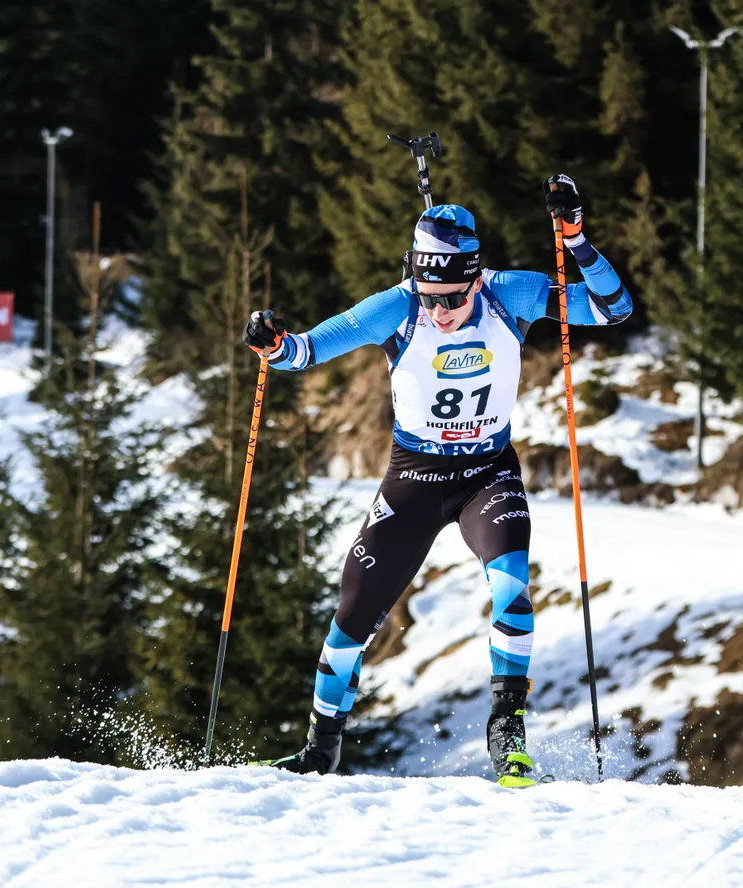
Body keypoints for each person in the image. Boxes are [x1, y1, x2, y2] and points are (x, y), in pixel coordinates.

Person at [246, 175, 633, 787]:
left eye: (452, 298)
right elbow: (305, 351)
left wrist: (576, 239)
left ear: (475, 279)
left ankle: (508, 739)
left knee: (512, 587)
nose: (440, 312)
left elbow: (614, 309)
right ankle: (320, 751)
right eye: (429, 298)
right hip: (415, 478)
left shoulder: (511, 295)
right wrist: (272, 342)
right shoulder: (397, 308)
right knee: (353, 613)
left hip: (486, 473)